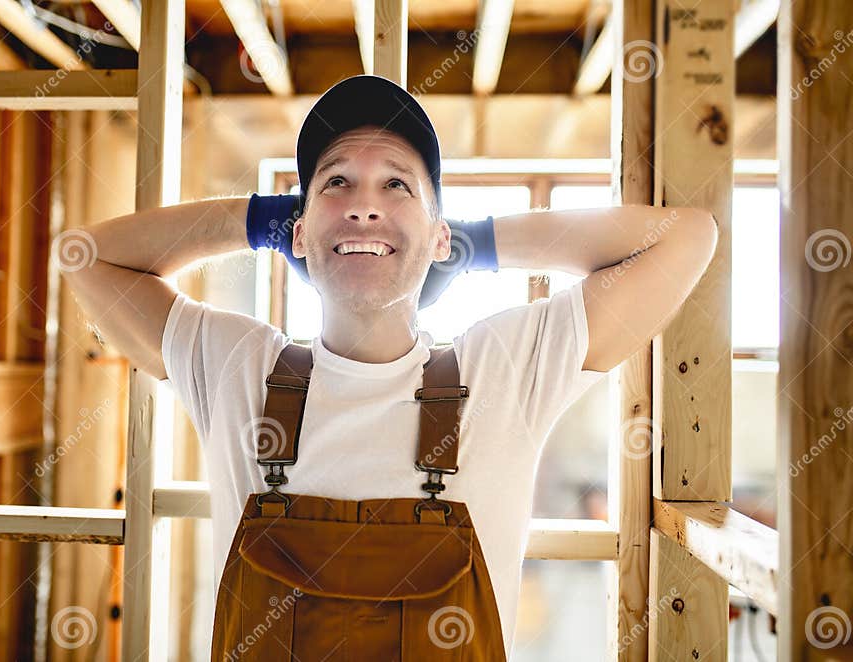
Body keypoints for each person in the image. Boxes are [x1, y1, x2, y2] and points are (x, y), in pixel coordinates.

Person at [59, 74, 718, 658]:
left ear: (440, 236)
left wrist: (474, 241)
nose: (364, 203)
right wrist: (262, 219)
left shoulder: (503, 370)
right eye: (335, 181)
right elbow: (85, 254)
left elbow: (686, 237)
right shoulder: (237, 367)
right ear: (297, 229)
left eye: (397, 184)